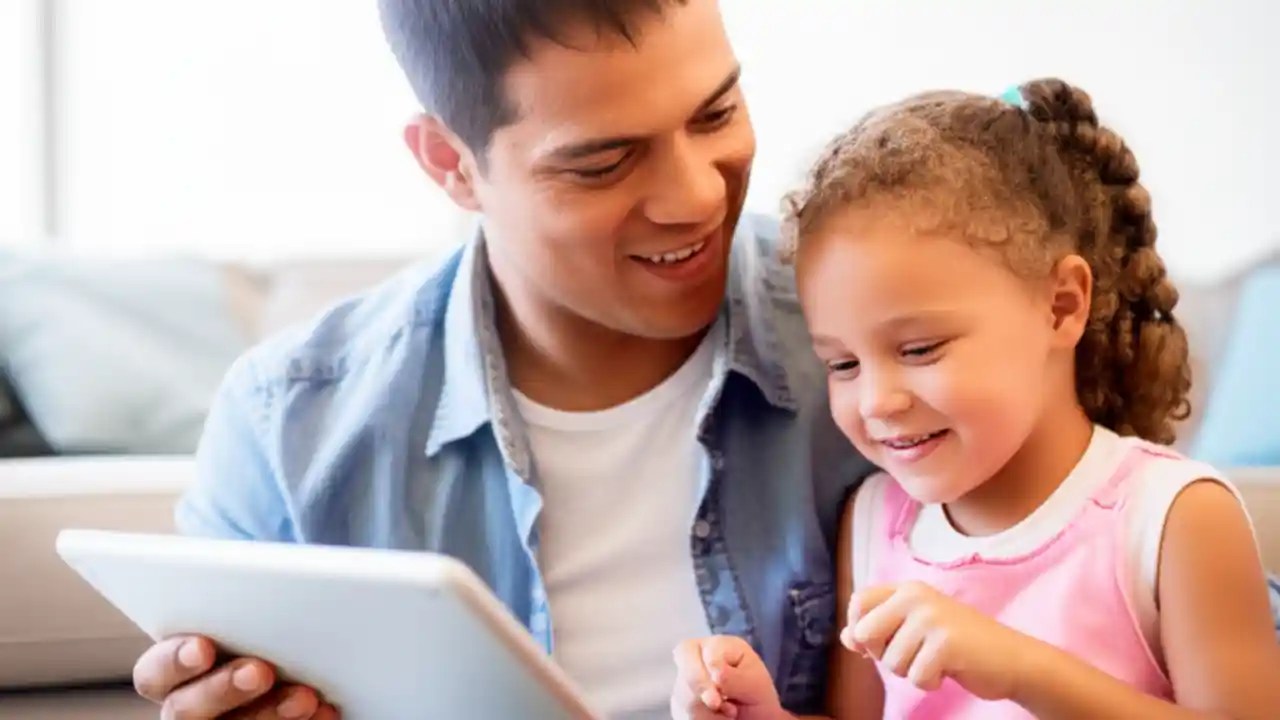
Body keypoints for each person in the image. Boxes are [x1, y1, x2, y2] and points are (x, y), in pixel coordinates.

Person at [129, 1, 873, 719]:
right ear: (451, 163)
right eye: (604, 163)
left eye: (715, 114)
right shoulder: (286, 428)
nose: (697, 196)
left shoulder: (885, 335)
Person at [671, 79, 1280, 718]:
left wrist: (1017, 668)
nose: (877, 401)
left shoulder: (1174, 520)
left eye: (919, 349)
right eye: (843, 363)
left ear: (1060, 305)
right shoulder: (878, 522)